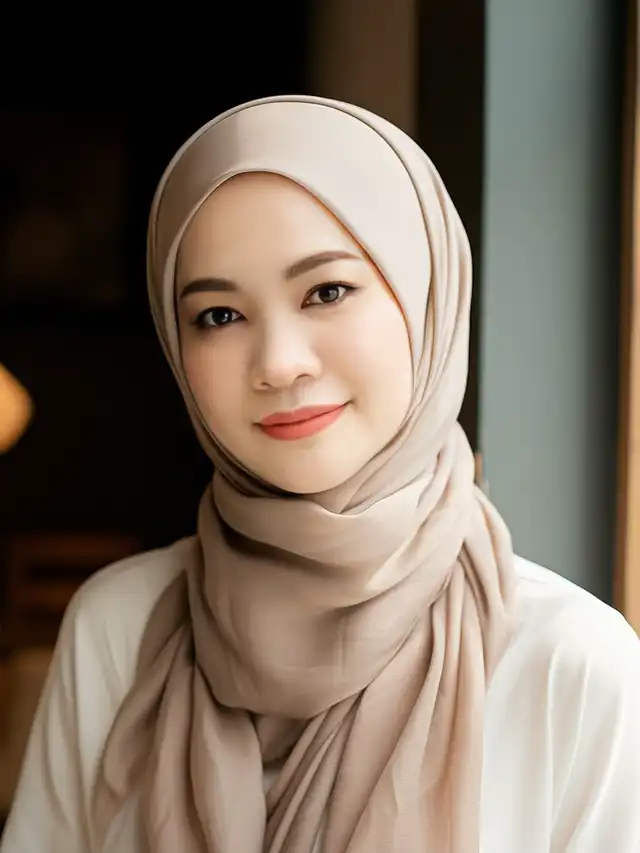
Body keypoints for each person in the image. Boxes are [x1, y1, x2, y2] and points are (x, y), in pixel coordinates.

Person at [1, 95, 639, 853]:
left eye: (327, 291)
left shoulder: (571, 666)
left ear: (426, 295)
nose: (278, 363)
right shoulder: (119, 628)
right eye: (218, 315)